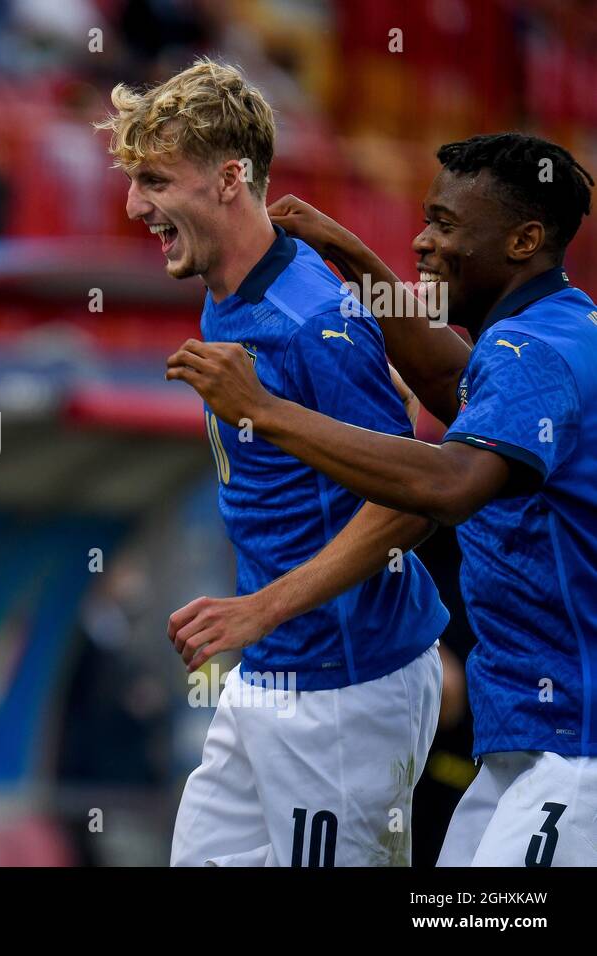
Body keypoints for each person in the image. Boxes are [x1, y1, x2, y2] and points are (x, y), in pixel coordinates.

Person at [168, 132, 597, 866]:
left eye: (449, 226)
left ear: (525, 239)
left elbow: (448, 485)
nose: (424, 242)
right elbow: (448, 385)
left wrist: (263, 410)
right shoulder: (554, 327)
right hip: (526, 736)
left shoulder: (539, 356)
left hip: (578, 746)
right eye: (428, 217)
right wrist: (354, 254)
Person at [97, 59, 448, 866]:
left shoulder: (310, 321)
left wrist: (261, 608)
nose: (133, 204)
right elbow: (379, 414)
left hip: (350, 684)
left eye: (154, 179)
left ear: (228, 179)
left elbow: (411, 501)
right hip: (276, 668)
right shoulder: (230, 280)